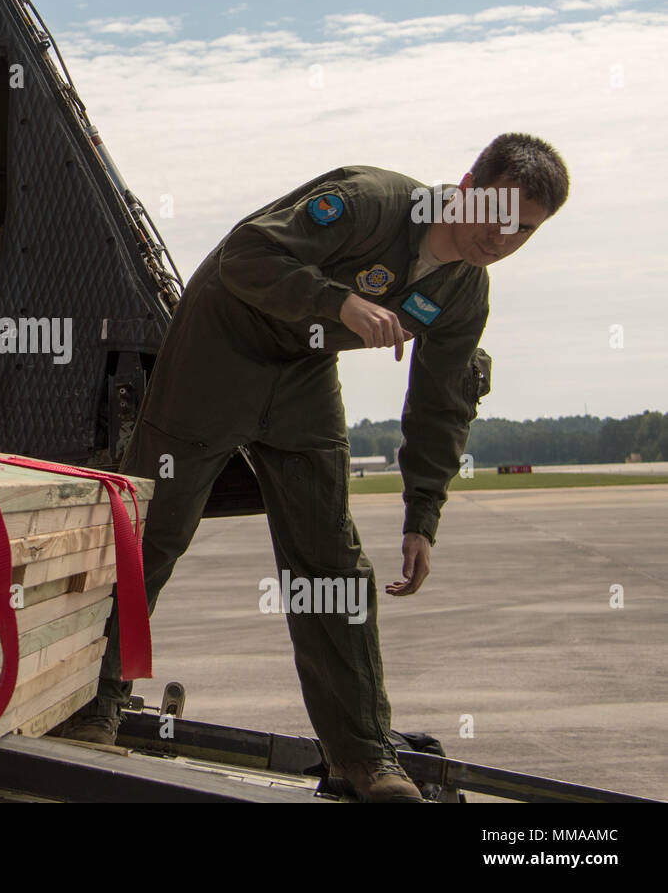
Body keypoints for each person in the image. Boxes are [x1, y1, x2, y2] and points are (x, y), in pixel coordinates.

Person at [58, 132, 570, 803]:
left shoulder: (464, 291)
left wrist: (423, 514)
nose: (503, 238)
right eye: (499, 216)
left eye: (525, 231)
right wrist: (338, 302)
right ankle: (93, 706)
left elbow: (442, 406)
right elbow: (244, 254)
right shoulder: (371, 204)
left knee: (331, 560)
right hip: (221, 347)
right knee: (154, 533)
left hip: (300, 372)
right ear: (469, 183)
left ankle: (361, 754)